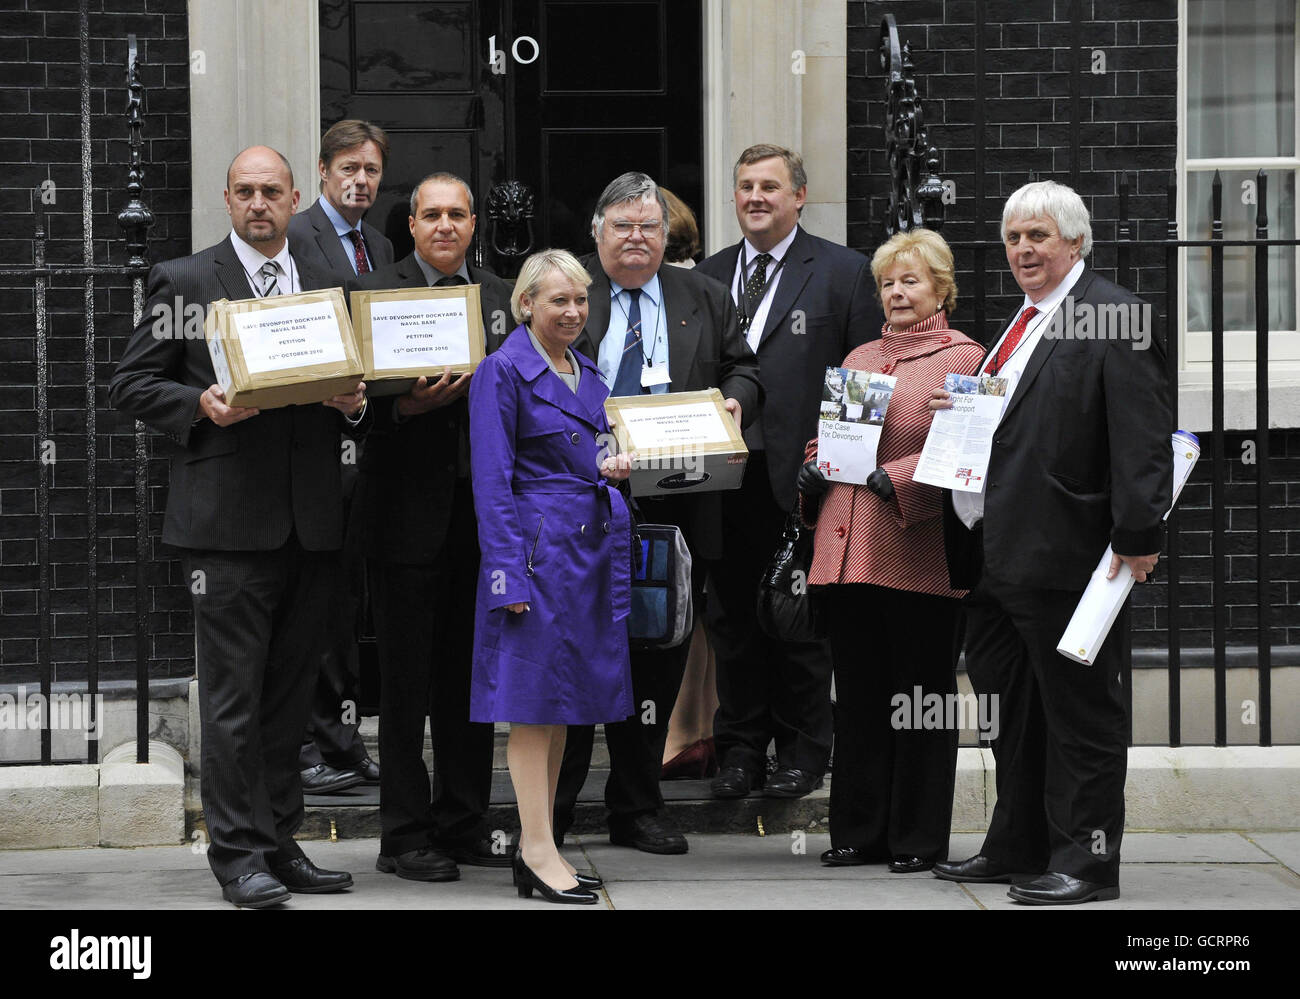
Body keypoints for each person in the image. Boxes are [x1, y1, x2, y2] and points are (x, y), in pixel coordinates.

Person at [109, 146, 369, 908]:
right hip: (224, 531)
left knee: (289, 703)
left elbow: (360, 393)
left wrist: (351, 403)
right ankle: (235, 857)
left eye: (272, 192)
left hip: (310, 523)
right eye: (245, 192)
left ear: (296, 198)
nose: (259, 204)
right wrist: (200, 406)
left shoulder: (332, 280)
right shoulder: (184, 281)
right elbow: (130, 381)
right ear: (227, 199)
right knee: (231, 703)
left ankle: (279, 840)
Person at [932, 180, 1172, 904]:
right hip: (997, 555)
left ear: (1075, 241)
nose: (1023, 249)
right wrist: (963, 403)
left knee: (1081, 717)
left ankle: (1088, 862)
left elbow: (1143, 436)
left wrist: (1138, 533)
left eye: (1038, 236)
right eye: (1014, 238)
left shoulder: (1115, 315)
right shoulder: (1021, 322)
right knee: (1014, 717)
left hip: (1069, 554)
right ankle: (1019, 844)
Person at [553, 172, 763, 855]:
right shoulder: (569, 290)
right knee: (579, 656)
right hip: (584, 504)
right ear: (597, 231)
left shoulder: (701, 293)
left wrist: (735, 402)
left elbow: (745, 369)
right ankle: (554, 806)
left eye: (649, 227)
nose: (637, 238)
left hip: (676, 506)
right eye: (623, 227)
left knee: (658, 657)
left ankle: (638, 806)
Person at [696, 143, 882, 800]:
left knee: (801, 620)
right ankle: (740, 750)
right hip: (725, 479)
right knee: (733, 621)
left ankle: (806, 753)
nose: (754, 198)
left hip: (807, 481)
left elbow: (862, 378)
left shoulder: (844, 272)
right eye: (745, 186)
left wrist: (838, 469)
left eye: (769, 187)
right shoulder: (709, 275)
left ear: (799, 196)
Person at [797, 228, 984, 872]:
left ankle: (917, 837)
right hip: (845, 552)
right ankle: (858, 830)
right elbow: (829, 440)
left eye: (911, 280)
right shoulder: (858, 356)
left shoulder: (966, 360)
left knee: (920, 700)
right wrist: (812, 465)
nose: (897, 292)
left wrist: (900, 479)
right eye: (887, 282)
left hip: (916, 554)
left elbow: (970, 453)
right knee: (859, 698)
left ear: (940, 288)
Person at [350, 172, 514, 881]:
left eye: (457, 214)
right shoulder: (371, 297)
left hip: (483, 523)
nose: (444, 226)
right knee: (407, 686)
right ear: (409, 226)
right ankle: (403, 834)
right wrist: (402, 410)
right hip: (402, 520)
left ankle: (463, 820)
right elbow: (349, 404)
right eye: (430, 215)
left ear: (474, 224)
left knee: (470, 682)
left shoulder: (507, 301)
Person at [468, 248, 635, 904]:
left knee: (565, 703)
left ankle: (547, 845)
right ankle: (534, 849)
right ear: (526, 303)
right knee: (532, 706)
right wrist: (506, 575)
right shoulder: (502, 371)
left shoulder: (585, 371)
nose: (572, 311)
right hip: (536, 555)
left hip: (587, 553)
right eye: (558, 300)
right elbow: (491, 480)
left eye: (581, 300)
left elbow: (592, 454)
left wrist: (612, 466)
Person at [287, 119, 394, 796]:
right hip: (310, 450)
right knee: (314, 606)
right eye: (349, 168)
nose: (361, 180)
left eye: (372, 171)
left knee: (349, 600)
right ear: (322, 172)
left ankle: (343, 738)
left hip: (367, 442)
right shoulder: (295, 237)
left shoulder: (379, 242)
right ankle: (309, 746)